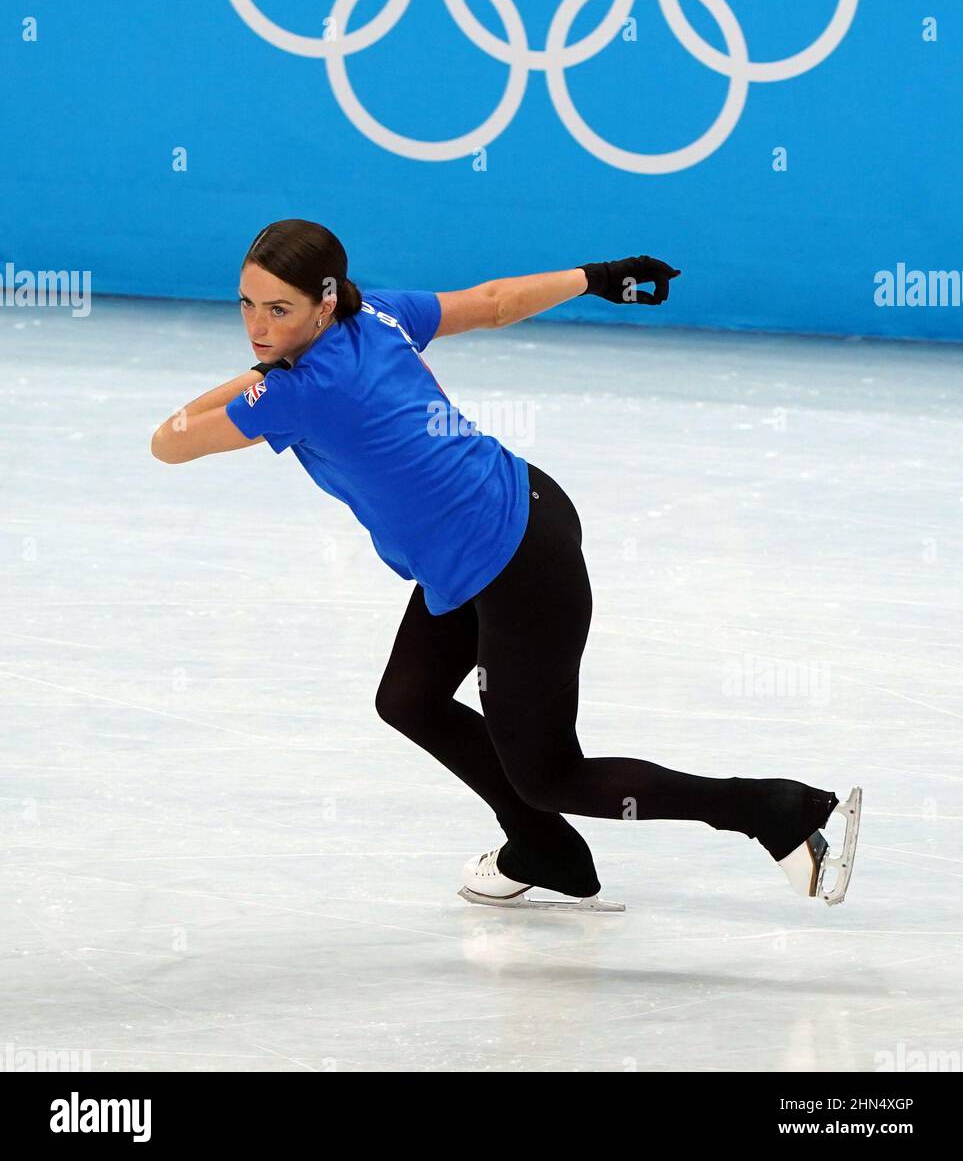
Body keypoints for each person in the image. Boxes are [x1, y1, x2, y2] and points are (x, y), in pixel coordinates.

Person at [151, 218, 861, 910]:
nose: (258, 324)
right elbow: (490, 304)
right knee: (410, 699)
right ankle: (543, 851)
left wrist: (260, 376)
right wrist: (595, 276)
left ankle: (771, 809)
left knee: (552, 775)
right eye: (247, 304)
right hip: (513, 517)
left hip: (519, 567)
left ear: (327, 298)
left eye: (280, 309)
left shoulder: (300, 392)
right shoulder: (381, 317)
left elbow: (170, 442)